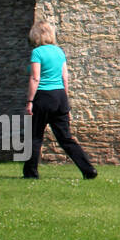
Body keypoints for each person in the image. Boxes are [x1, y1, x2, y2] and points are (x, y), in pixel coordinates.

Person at [23, 19, 97, 180]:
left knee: (35, 137)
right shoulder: (59, 52)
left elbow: (35, 78)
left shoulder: (38, 52)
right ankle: (88, 169)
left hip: (43, 96)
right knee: (65, 137)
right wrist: (65, 99)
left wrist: (29, 101)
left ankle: (31, 173)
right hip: (59, 96)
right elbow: (65, 77)